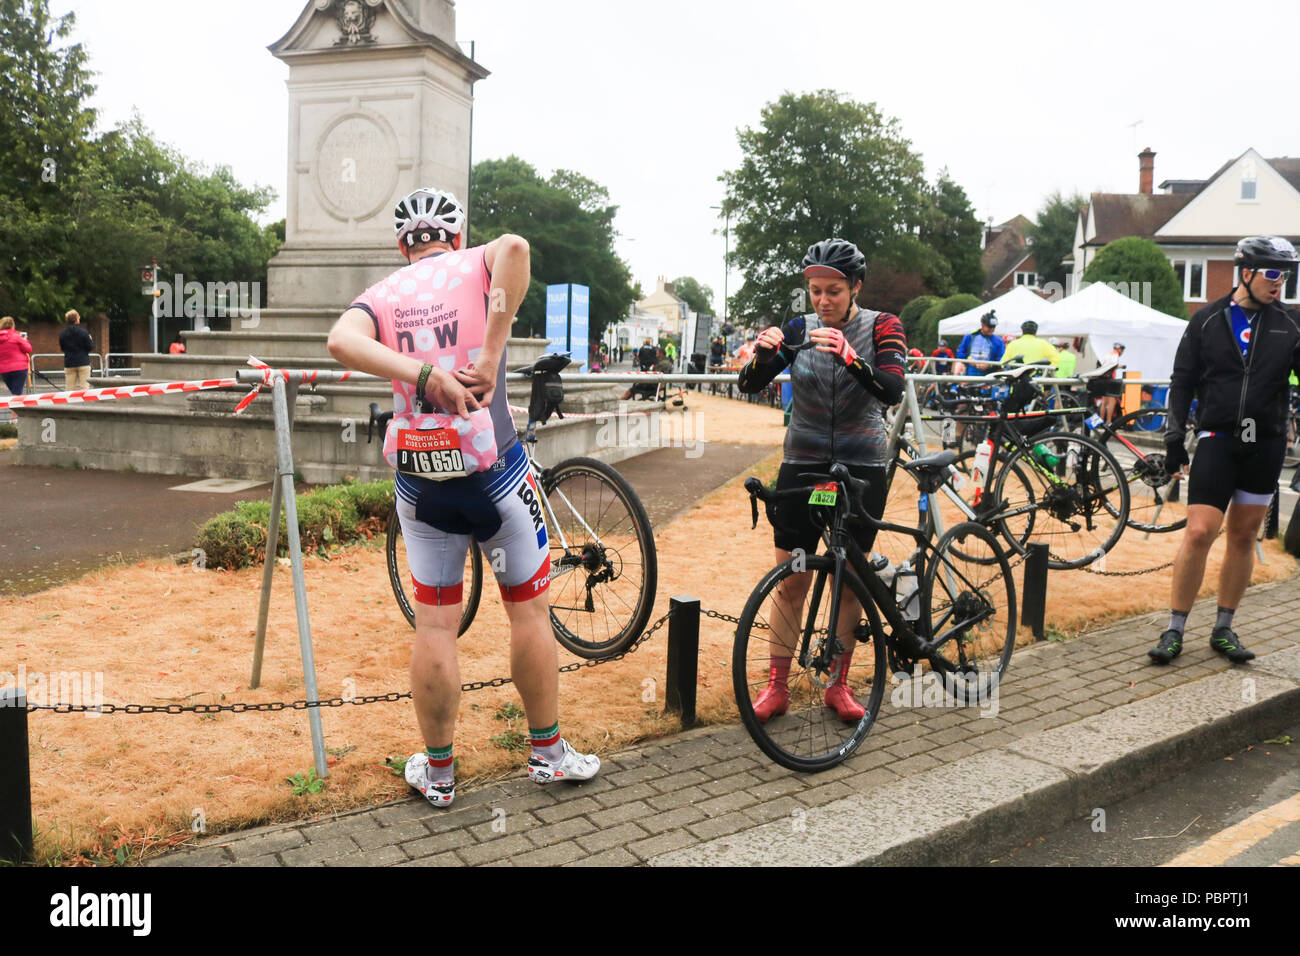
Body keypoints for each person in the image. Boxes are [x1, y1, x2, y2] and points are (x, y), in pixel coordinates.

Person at [326, 186, 600, 807]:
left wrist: (421, 375)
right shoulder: (476, 261)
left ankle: (442, 773)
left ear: (403, 245)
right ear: (454, 235)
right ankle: (548, 754)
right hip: (496, 474)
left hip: (422, 487)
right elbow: (518, 248)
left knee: (435, 625)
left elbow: (340, 342)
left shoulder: (385, 294)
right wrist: (490, 352)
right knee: (528, 613)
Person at [737, 238, 906, 722]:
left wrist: (852, 357)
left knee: (849, 582)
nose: (823, 301)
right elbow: (751, 384)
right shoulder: (799, 328)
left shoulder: (883, 326)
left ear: (855, 286)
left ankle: (839, 684)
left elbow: (891, 389)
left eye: (834, 290)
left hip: (862, 466)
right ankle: (776, 687)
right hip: (804, 461)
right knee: (793, 578)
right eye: (815, 290)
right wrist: (763, 356)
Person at [1148, 236, 1300, 667]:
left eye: (1285, 275)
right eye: (1273, 273)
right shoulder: (1207, 320)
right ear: (1246, 272)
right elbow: (1181, 382)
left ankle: (1224, 627)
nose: (1280, 284)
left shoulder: (1289, 325)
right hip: (1218, 437)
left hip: (1263, 441)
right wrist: (1174, 441)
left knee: (1243, 535)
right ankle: (1175, 628)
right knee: (1200, 531)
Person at [0, 317, 34, 419]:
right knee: (17, 394)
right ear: (12, 325)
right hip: (19, 368)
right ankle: (14, 420)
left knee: (14, 393)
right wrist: (25, 340)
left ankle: (15, 418)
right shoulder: (16, 336)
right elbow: (28, 349)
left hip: (4, 370)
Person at [954, 311, 1005, 376]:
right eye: (989, 327)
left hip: (989, 378)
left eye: (994, 327)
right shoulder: (969, 337)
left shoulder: (999, 341)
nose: (992, 329)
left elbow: (1002, 358)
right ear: (982, 325)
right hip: (970, 377)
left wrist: (990, 364)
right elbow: (960, 353)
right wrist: (968, 359)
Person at [59, 309, 93, 391]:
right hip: (83, 362)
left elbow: (62, 348)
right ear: (77, 319)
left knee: (69, 388)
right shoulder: (84, 333)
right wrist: (91, 340)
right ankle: (84, 402)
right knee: (84, 387)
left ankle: (70, 403)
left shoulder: (63, 334)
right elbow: (90, 347)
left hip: (69, 362)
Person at [1098, 342, 1126, 423]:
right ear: (1119, 349)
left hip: (1103, 379)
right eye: (1122, 351)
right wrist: (1122, 366)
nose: (1122, 353)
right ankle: (1108, 422)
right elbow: (1113, 366)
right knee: (1112, 402)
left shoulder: (1108, 354)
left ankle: (1101, 420)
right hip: (1110, 379)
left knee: (1104, 402)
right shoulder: (1115, 355)